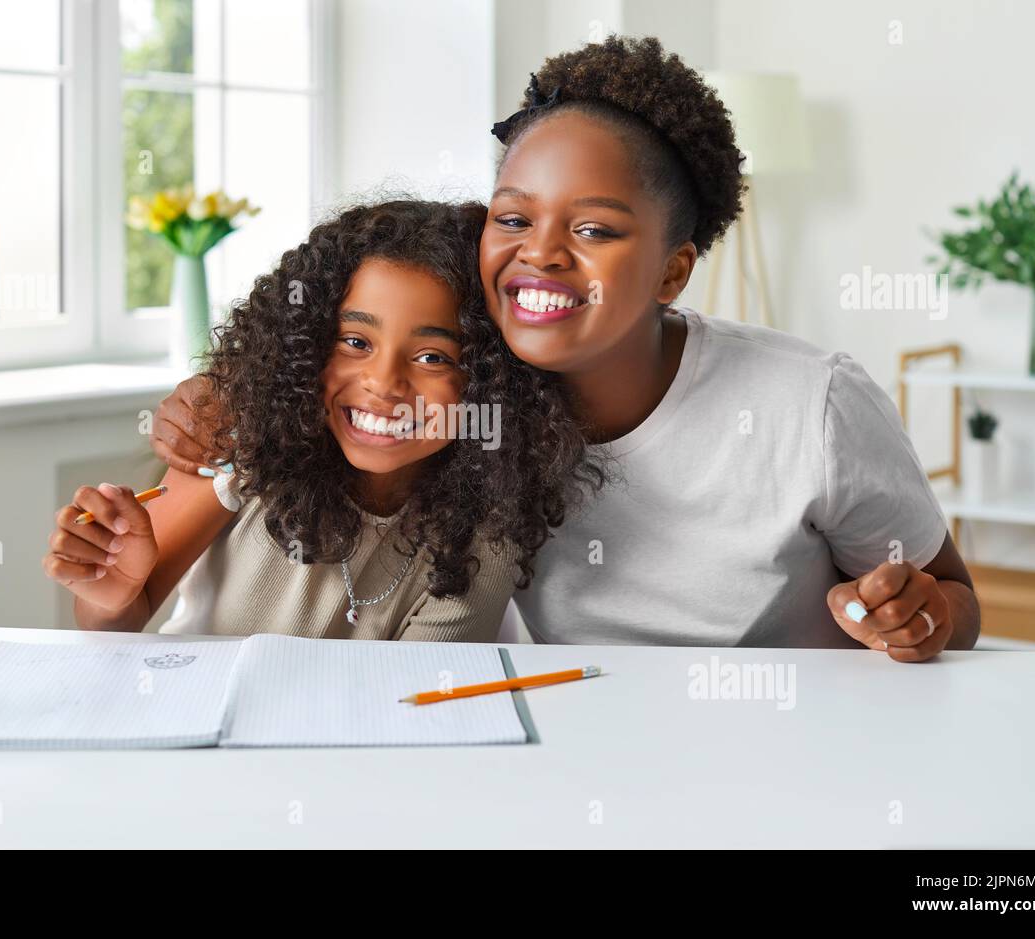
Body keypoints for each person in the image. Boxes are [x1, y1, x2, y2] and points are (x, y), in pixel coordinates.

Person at [150, 37, 979, 661]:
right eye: (513, 218)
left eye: (593, 230)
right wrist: (220, 390)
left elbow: (957, 597)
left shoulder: (813, 406)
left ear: (672, 270)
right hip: (579, 752)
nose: (540, 253)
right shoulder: (470, 391)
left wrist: (923, 614)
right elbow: (353, 357)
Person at [44, 200, 598, 640]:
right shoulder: (236, 445)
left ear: (492, 380)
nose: (384, 384)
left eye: (433, 358)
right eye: (355, 341)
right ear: (304, 346)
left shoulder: (491, 526)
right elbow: (114, 623)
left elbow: (419, 704)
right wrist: (110, 592)